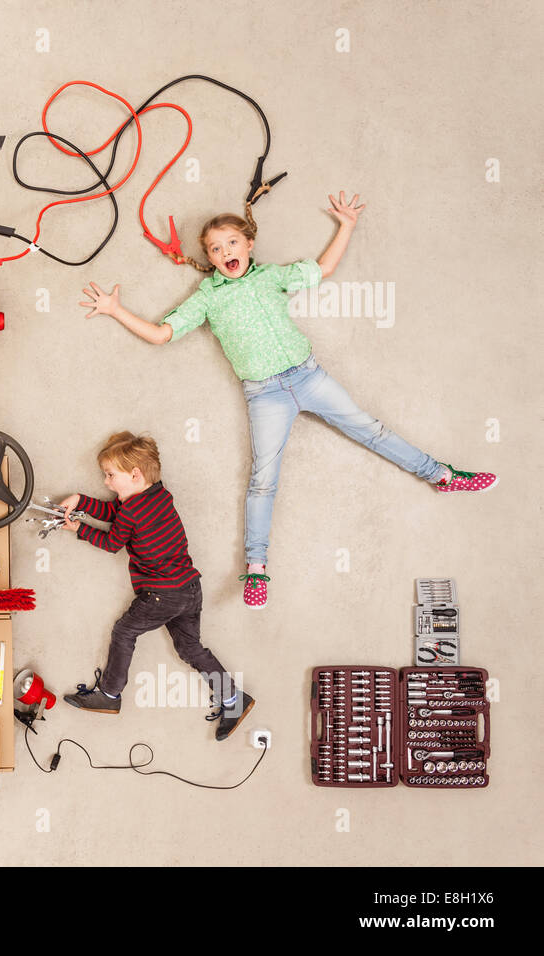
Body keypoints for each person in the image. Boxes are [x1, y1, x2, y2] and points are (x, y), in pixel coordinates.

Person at [80, 192, 496, 608]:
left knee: (372, 429)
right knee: (263, 478)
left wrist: (347, 224)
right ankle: (256, 570)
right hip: (265, 395)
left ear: (249, 245)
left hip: (309, 376)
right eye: (215, 248)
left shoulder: (271, 277)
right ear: (209, 257)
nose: (225, 251)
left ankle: (442, 476)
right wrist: (116, 309)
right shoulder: (209, 295)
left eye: (231, 243)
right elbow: (161, 334)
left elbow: (324, 268)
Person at [58, 431, 254, 741]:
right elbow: (117, 515)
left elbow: (112, 542)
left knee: (124, 631)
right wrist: (81, 501)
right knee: (190, 648)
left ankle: (109, 695)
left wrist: (78, 527)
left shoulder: (132, 511)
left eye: (110, 475)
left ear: (134, 475)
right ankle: (233, 699)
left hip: (162, 594)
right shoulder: (159, 495)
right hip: (190, 588)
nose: (107, 482)